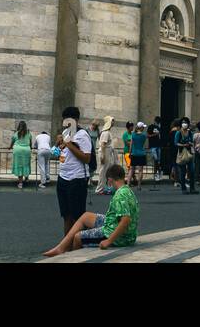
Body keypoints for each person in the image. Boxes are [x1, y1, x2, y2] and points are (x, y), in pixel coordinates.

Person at [44, 163, 139, 256]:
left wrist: (109, 241)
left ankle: (71, 256)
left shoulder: (120, 196)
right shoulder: (127, 190)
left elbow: (125, 221)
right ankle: (61, 247)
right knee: (86, 216)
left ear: (110, 180)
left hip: (121, 237)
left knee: (78, 237)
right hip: (121, 229)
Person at [56, 105, 92, 234]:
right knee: (66, 215)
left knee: (77, 216)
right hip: (63, 177)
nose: (66, 123)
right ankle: (66, 244)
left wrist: (69, 144)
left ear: (76, 120)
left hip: (77, 179)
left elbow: (87, 158)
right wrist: (58, 145)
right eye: (64, 120)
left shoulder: (83, 135)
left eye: (68, 120)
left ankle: (78, 243)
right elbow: (58, 154)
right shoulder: (66, 133)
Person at [173, 118, 197, 194]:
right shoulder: (178, 133)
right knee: (183, 172)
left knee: (192, 171)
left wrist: (190, 144)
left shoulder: (190, 133)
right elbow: (176, 143)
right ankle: (183, 188)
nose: (185, 124)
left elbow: (193, 142)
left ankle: (192, 188)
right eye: (183, 123)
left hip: (189, 153)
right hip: (182, 153)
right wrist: (183, 145)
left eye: (186, 122)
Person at [96, 115, 116, 193]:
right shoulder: (106, 133)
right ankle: (100, 189)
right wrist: (103, 156)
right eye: (112, 121)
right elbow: (103, 145)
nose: (114, 122)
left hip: (107, 152)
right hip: (105, 152)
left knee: (107, 171)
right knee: (103, 171)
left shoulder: (107, 132)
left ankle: (105, 188)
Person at [11, 120, 33, 187]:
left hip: (18, 150)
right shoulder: (29, 133)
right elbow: (30, 143)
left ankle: (20, 183)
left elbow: (12, 142)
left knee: (19, 165)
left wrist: (10, 147)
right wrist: (30, 148)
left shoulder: (16, 133)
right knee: (26, 164)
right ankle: (26, 178)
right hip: (26, 150)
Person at [128, 122, 148, 187]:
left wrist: (130, 153)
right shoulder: (144, 135)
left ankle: (128, 184)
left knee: (131, 170)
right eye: (143, 127)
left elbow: (131, 145)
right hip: (141, 153)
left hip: (134, 153)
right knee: (140, 170)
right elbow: (143, 143)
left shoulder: (133, 134)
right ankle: (139, 185)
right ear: (141, 128)